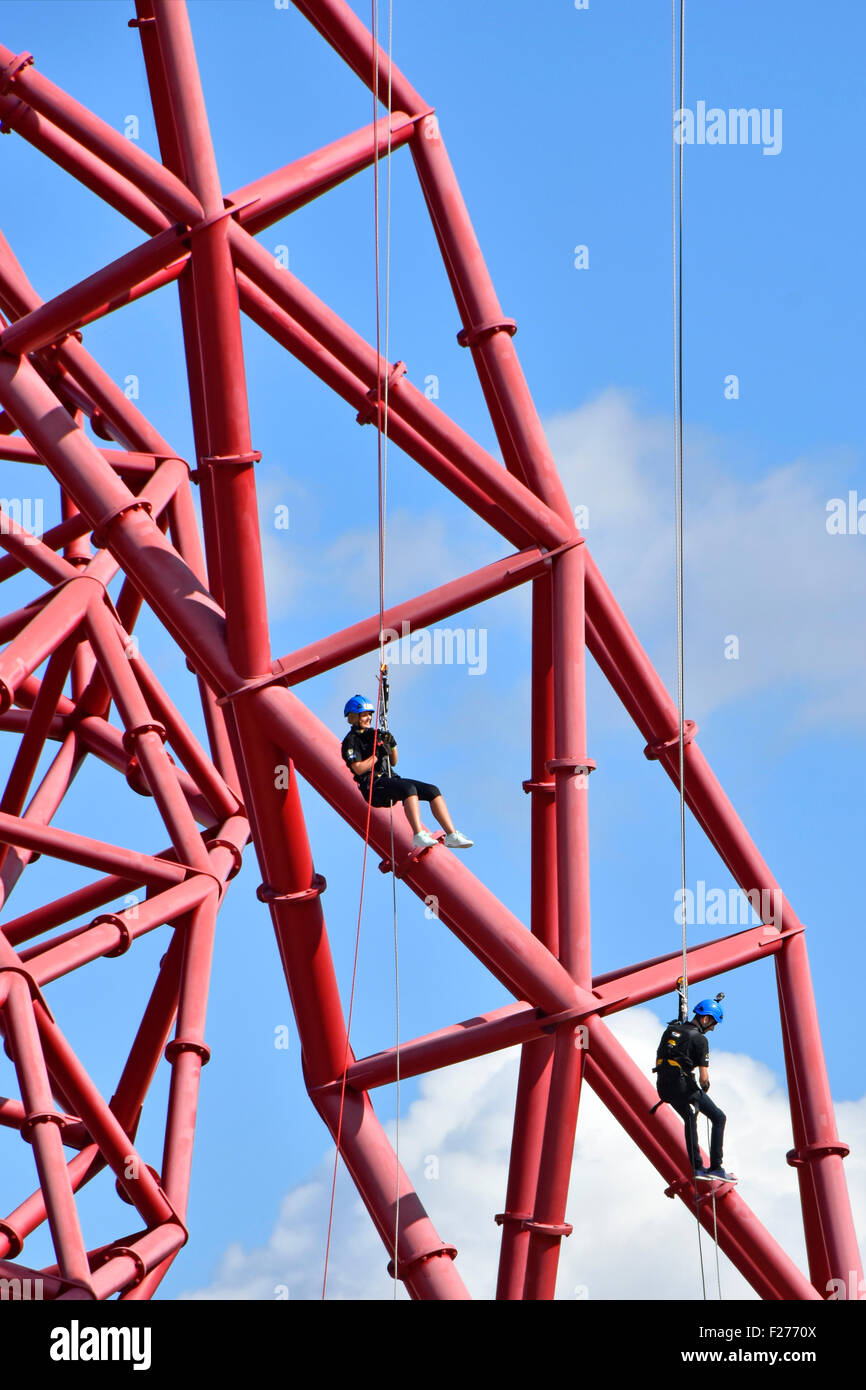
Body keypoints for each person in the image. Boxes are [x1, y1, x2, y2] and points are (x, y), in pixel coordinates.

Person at [340, 695, 473, 850]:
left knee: (432, 790)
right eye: (364, 715)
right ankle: (418, 834)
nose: (368, 717)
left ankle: (451, 835)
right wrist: (377, 755)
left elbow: (393, 761)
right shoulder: (351, 741)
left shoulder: (375, 734)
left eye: (369, 714)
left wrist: (392, 745)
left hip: (389, 778)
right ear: (353, 717)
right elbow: (358, 768)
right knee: (408, 789)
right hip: (373, 786)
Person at [653, 999, 737, 1184]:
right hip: (683, 1086)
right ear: (706, 1019)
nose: (713, 1029)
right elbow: (703, 1078)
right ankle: (716, 1167)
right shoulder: (700, 1039)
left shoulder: (671, 1030)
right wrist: (705, 1086)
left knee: (690, 1119)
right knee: (718, 1117)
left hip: (664, 1087)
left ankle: (697, 1167)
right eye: (713, 1024)